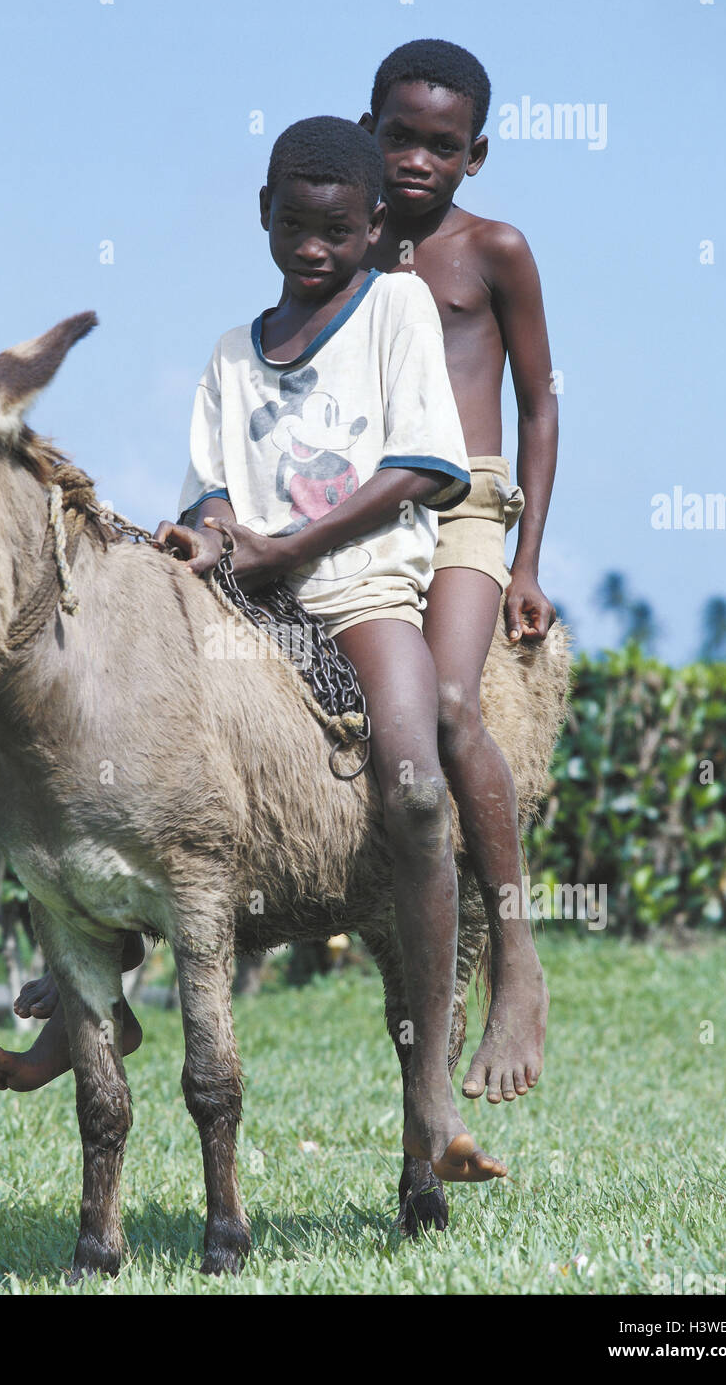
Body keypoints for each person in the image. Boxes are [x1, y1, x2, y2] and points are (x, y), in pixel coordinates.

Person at [149, 116, 504, 1183]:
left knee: (413, 787)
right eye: (294, 226)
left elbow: (420, 465)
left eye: (336, 230)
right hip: (246, 598)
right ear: (263, 215)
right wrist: (213, 538)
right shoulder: (228, 352)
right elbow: (209, 487)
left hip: (356, 585)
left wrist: (292, 545)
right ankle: (73, 997)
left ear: (374, 227)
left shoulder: (394, 306)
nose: (313, 247)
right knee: (141, 768)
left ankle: (432, 1087)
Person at [360, 39, 557, 1104]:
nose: (417, 162)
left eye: (443, 145)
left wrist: (526, 554)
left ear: (474, 154)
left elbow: (540, 400)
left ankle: (517, 962)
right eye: (400, 137)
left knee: (443, 702)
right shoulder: (341, 241)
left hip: (467, 502)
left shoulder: (494, 250)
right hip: (359, 505)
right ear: (369, 128)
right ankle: (90, 985)